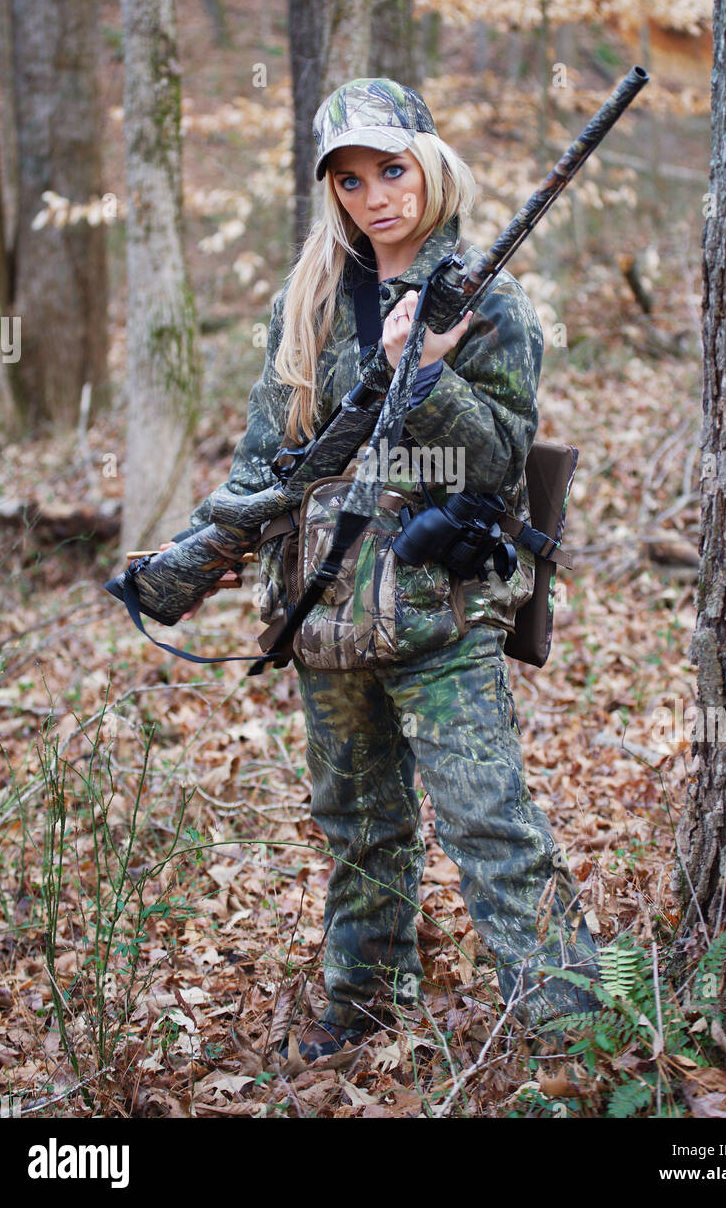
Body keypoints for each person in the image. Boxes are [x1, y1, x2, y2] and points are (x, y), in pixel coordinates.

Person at [177, 78, 600, 1060]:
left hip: (440, 611)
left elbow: (499, 459)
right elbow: (261, 457)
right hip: (325, 609)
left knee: (491, 829)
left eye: (391, 168)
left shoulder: (489, 303)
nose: (375, 195)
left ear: (428, 163)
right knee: (359, 828)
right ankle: (362, 1003)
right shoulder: (308, 300)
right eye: (351, 178)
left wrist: (426, 374)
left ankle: (581, 1036)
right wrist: (203, 551)